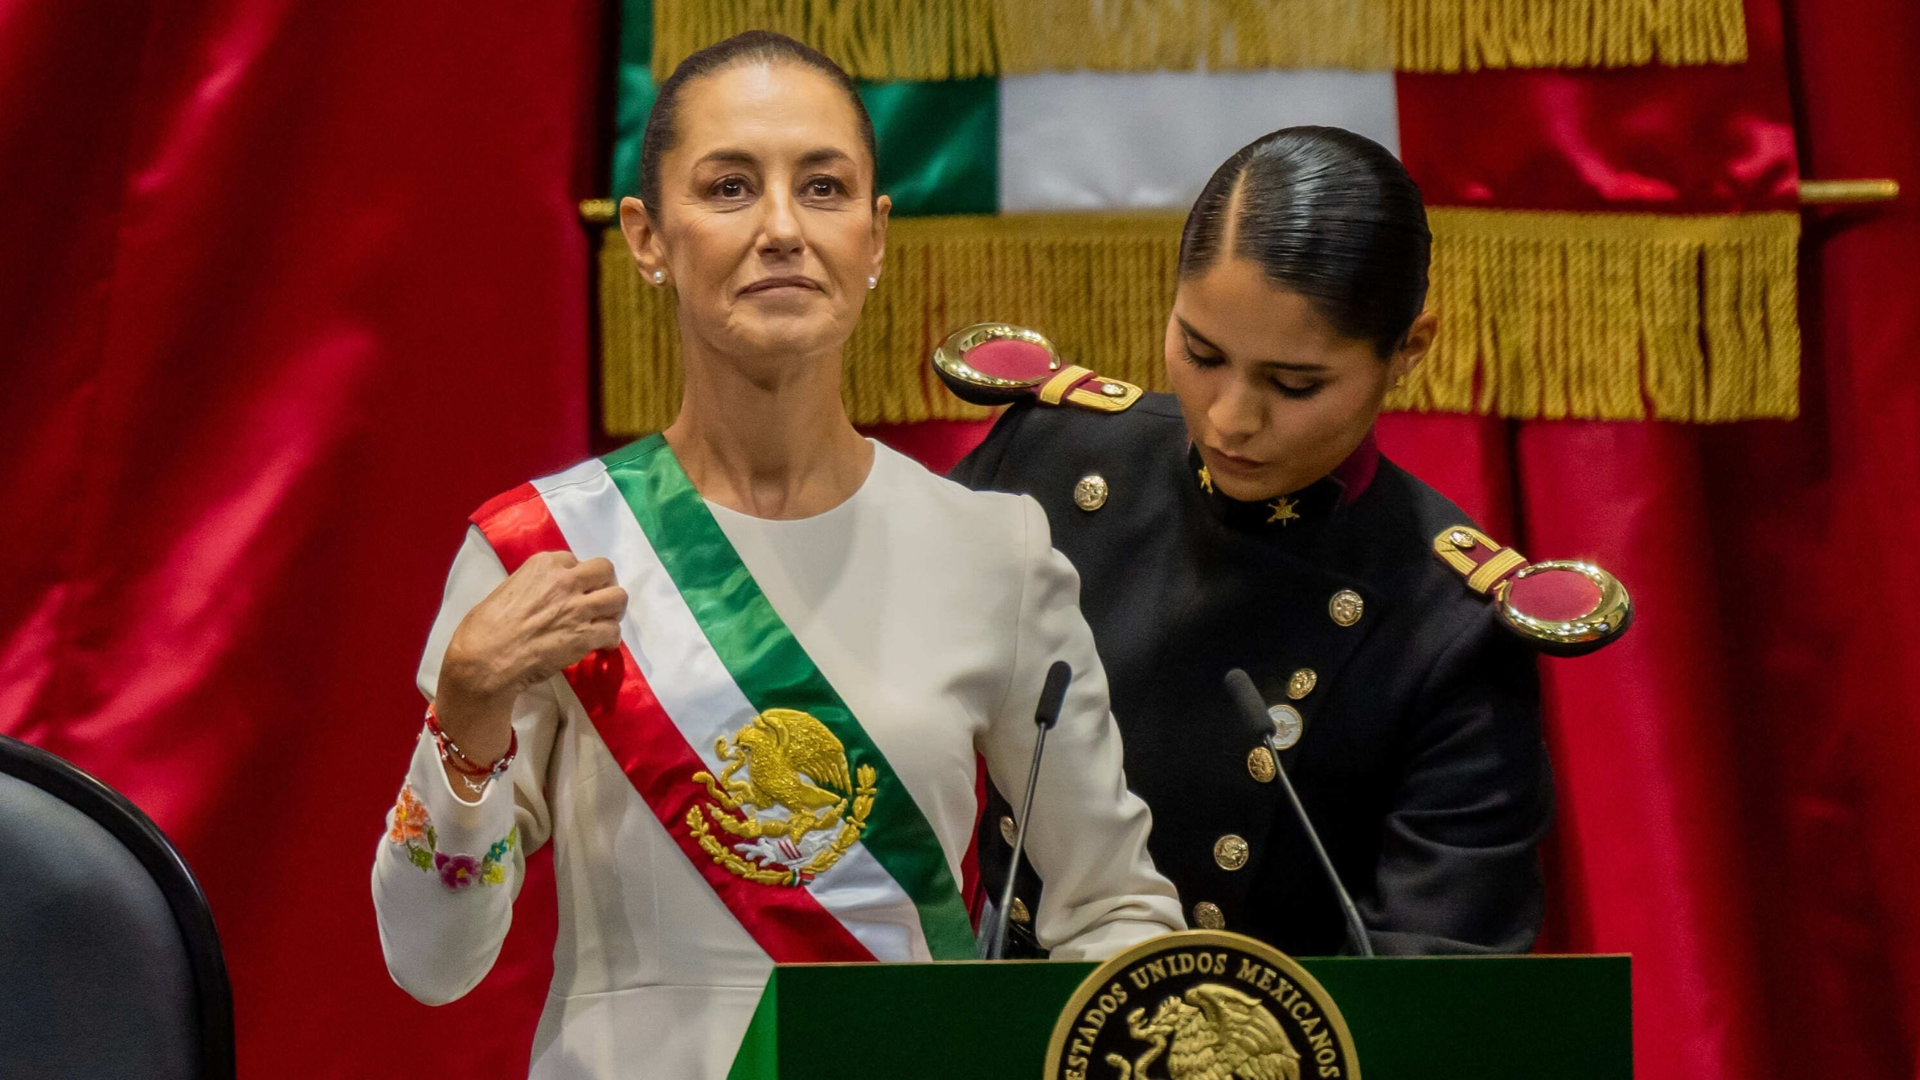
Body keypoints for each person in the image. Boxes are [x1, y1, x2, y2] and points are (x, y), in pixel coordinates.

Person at [371, 31, 1181, 1079]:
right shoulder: (542, 556)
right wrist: (469, 714)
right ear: (646, 237)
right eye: (730, 188)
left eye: (826, 187)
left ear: (877, 238)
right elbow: (429, 962)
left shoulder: (996, 552)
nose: (785, 229)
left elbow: (1114, 910)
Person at [946, 126, 1629, 957]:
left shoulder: (1449, 626)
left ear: (1408, 351)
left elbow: (1439, 985)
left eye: (1294, 383)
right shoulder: (1052, 458)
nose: (1232, 418)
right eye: (1201, 353)